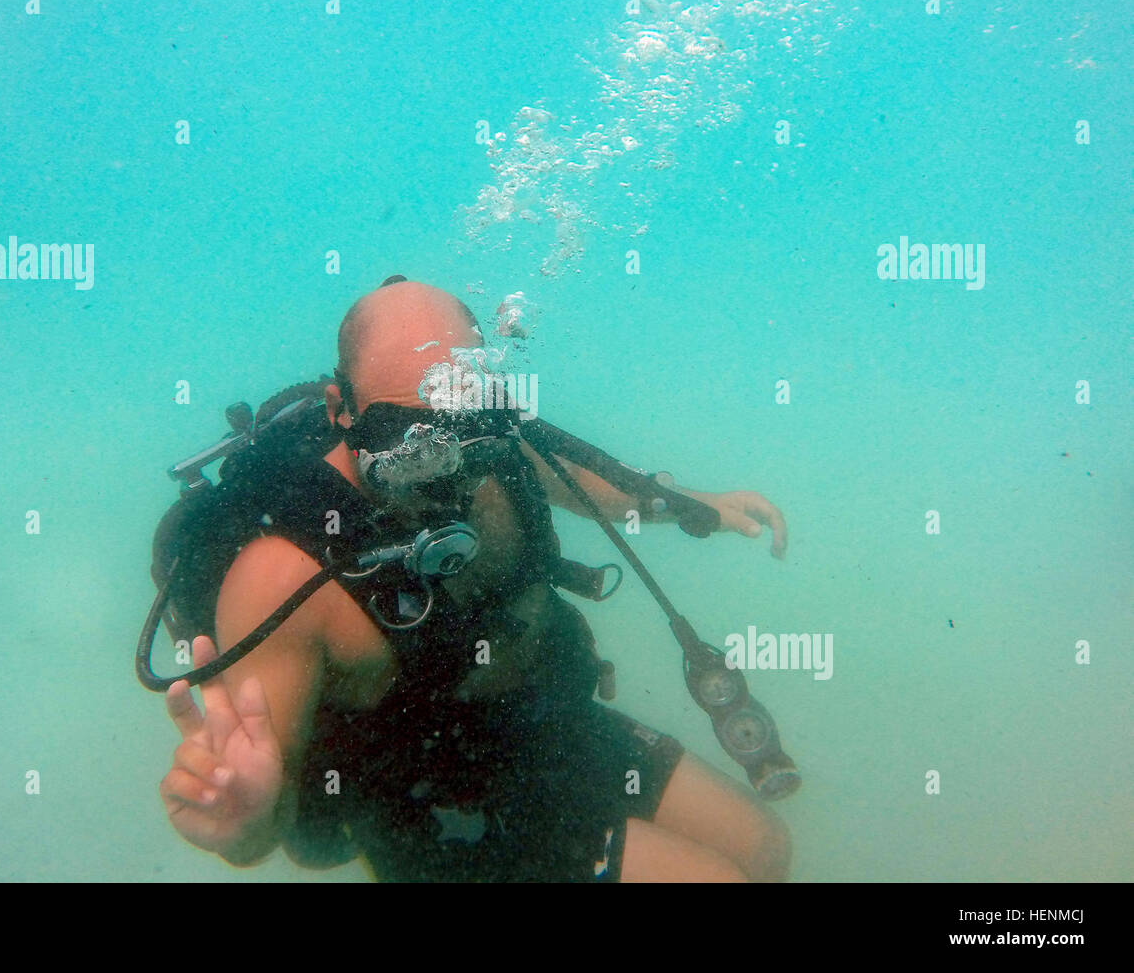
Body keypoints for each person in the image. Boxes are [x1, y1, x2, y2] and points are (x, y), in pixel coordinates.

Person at [158, 280, 792, 882]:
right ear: (340, 409)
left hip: (534, 726)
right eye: (404, 437)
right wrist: (240, 819)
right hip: (427, 801)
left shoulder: (488, 445)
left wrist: (689, 505)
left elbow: (578, 473)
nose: (437, 462)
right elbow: (265, 812)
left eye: (456, 427)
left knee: (765, 849)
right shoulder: (280, 577)